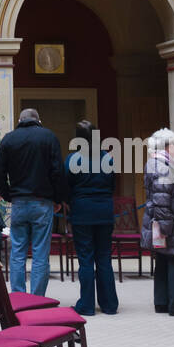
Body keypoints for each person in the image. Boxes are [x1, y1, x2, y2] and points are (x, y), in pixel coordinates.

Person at [0, 107, 67, 296]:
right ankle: (37, 298)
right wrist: (57, 199)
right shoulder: (49, 137)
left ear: (20, 120)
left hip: (19, 202)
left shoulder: (9, 139)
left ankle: (19, 296)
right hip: (43, 203)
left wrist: (9, 195)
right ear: (38, 120)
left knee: (17, 253)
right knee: (41, 253)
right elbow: (58, 172)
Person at [141, 129, 174, 317]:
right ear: (165, 146)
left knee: (164, 261)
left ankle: (163, 302)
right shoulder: (162, 166)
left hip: (167, 220)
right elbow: (162, 199)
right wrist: (166, 227)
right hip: (170, 222)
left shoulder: (159, 164)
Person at [65, 120, 118, 316]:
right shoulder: (108, 158)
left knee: (86, 259)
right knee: (104, 258)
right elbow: (112, 184)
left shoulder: (73, 159)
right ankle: (110, 305)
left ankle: (86, 305)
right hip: (105, 211)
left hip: (82, 212)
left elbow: (66, 186)